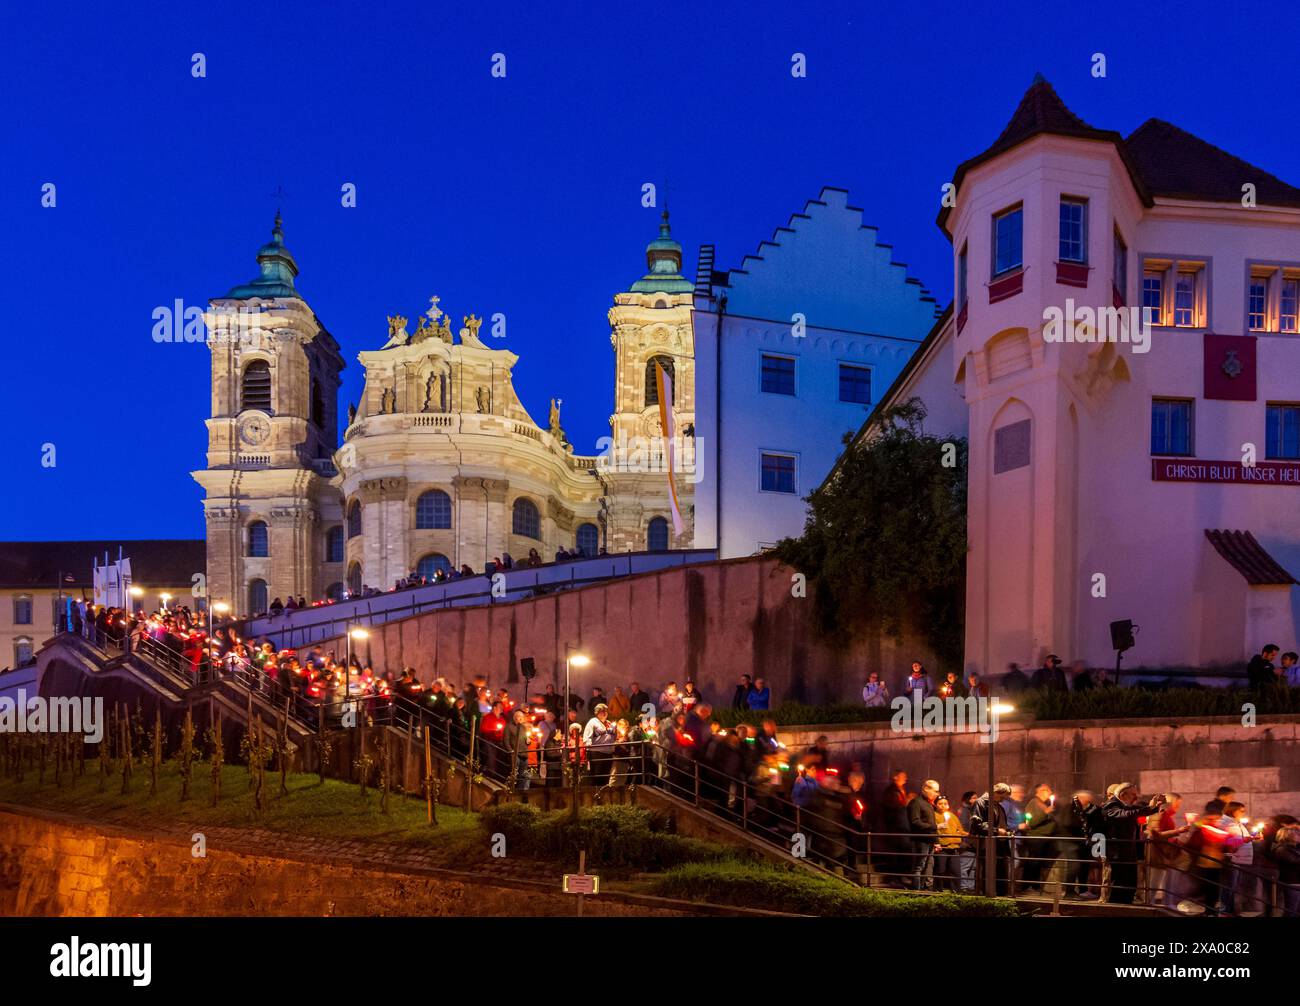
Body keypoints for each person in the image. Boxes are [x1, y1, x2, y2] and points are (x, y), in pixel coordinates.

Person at [1102, 783, 1165, 905]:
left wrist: (1154, 807)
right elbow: (1125, 814)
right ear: (1123, 794)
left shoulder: (1124, 805)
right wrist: (1149, 808)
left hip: (1128, 852)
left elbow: (1133, 811)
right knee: (1119, 884)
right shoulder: (1110, 805)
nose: (1136, 798)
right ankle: (1114, 909)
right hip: (1117, 853)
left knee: (1130, 882)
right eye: (1133, 795)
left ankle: (1126, 906)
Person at [970, 784, 1014, 894]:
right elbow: (977, 826)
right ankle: (988, 895)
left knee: (1001, 873)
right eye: (1002, 797)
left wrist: (1007, 832)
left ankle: (1001, 896)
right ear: (995, 793)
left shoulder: (997, 805)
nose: (1003, 800)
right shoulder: (980, 803)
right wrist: (997, 831)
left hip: (1000, 844)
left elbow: (1001, 823)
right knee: (988, 872)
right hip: (988, 845)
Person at [1019, 783, 1058, 891]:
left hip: (1042, 838)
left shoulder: (1041, 803)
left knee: (1037, 862)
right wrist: (1046, 812)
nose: (1050, 793)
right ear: (1040, 791)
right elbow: (1031, 822)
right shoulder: (1034, 803)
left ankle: (1034, 884)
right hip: (1036, 838)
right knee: (1033, 861)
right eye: (1047, 790)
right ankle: (1029, 885)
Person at [878, 770, 910, 885]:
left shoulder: (900, 790)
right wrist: (905, 803)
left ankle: (900, 876)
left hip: (901, 827)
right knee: (895, 853)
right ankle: (894, 878)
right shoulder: (891, 791)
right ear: (895, 777)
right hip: (894, 827)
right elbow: (892, 807)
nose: (905, 779)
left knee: (903, 852)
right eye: (903, 776)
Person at [908, 779, 941, 890]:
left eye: (937, 792)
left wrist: (936, 841)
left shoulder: (928, 804)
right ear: (926, 789)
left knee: (926, 867)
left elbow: (932, 824)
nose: (937, 794)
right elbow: (915, 822)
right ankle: (916, 891)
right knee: (919, 866)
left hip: (929, 840)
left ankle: (923, 890)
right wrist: (935, 827)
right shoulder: (916, 803)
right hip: (921, 840)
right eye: (935, 791)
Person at [935, 795, 967, 891]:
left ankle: (956, 890)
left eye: (945, 803)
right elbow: (933, 829)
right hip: (942, 847)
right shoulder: (934, 815)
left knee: (956, 871)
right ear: (935, 805)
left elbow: (960, 829)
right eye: (940, 804)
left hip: (954, 847)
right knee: (940, 870)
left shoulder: (952, 816)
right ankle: (938, 890)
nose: (943, 806)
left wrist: (967, 834)